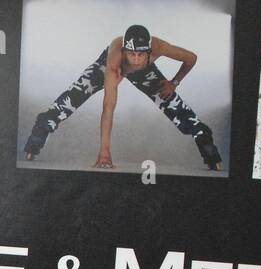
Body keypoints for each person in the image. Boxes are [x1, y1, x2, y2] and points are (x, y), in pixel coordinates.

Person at [23, 24, 222, 171]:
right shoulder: (114, 61)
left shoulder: (161, 47)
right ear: (125, 50)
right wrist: (104, 151)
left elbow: (191, 58)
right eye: (131, 54)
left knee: (170, 101)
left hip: (145, 73)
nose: (135, 60)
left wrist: (174, 82)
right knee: (75, 94)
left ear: (150, 52)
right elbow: (108, 107)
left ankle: (204, 140)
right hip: (112, 67)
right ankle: (42, 128)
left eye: (140, 55)